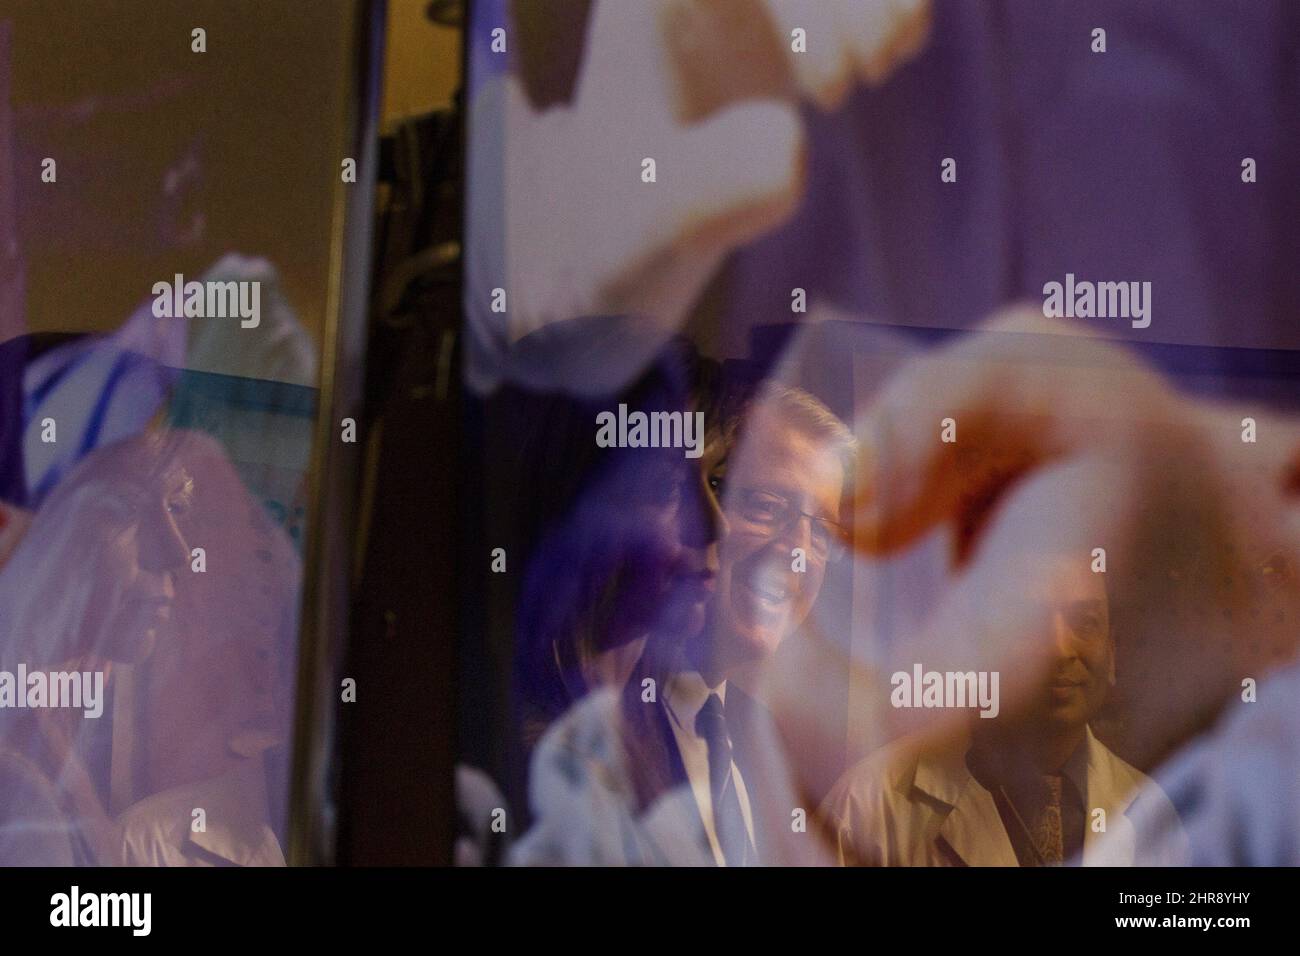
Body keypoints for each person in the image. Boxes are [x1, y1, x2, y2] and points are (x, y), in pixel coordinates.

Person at [512, 382, 855, 865]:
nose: (798, 552)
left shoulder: (766, 754)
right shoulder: (570, 737)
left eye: (820, 529)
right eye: (766, 507)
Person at [823, 551, 1175, 865]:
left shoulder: (1155, 812)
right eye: (1030, 623)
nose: (1060, 649)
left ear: (1111, 653)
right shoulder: (870, 807)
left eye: (1085, 623)